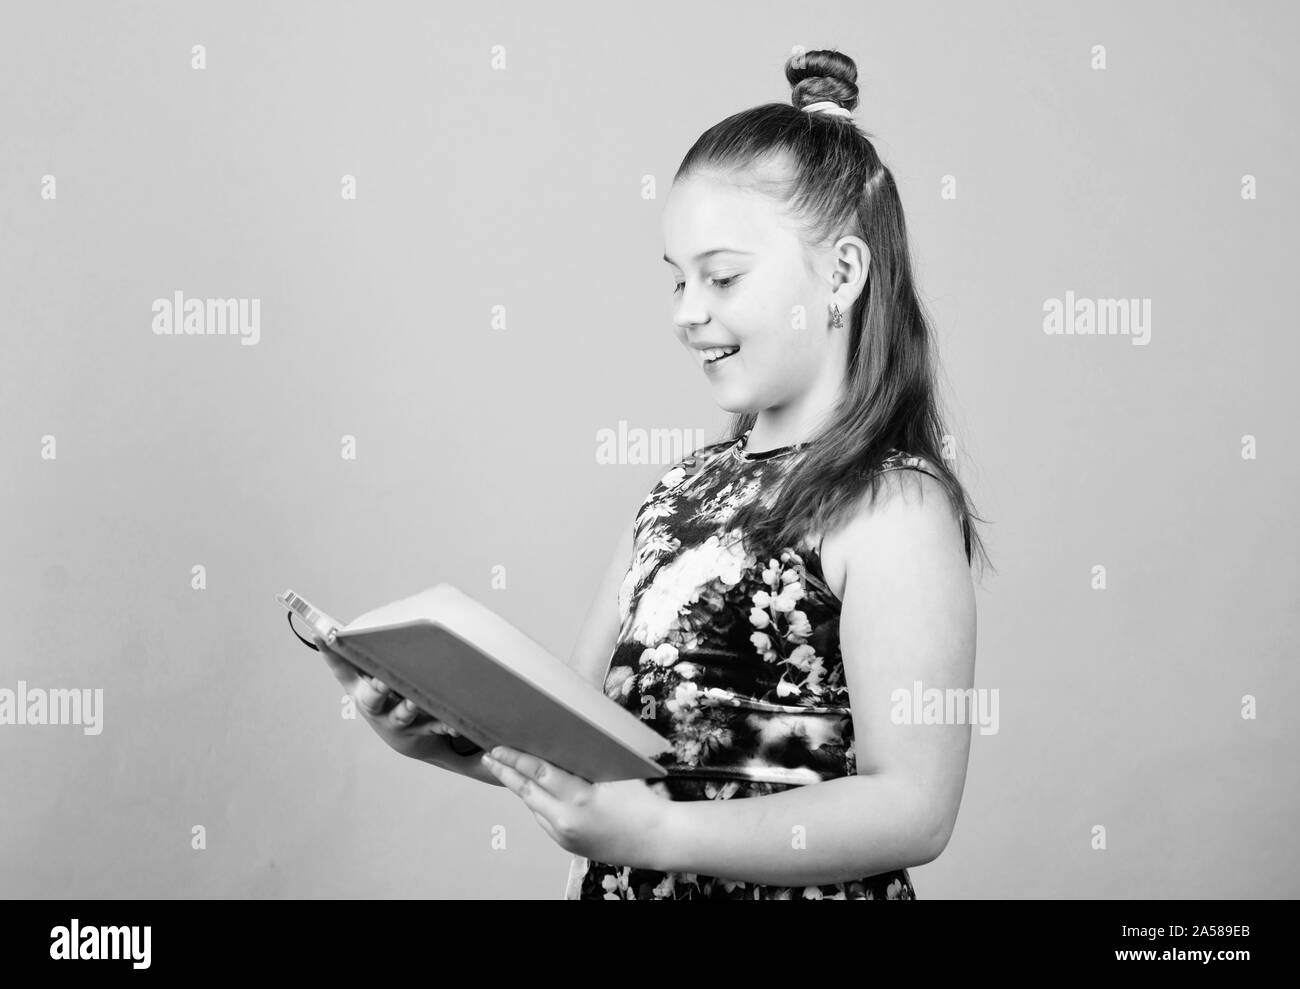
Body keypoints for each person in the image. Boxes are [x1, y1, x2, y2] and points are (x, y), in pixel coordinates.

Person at [318, 47, 990, 900]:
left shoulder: (894, 504)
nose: (687, 312)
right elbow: (585, 743)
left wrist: (665, 831)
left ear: (842, 275)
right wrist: (436, 730)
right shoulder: (677, 494)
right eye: (678, 280)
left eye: (723, 277)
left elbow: (915, 808)